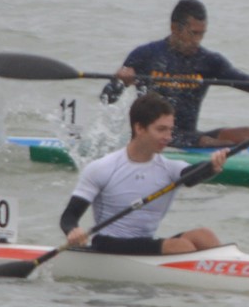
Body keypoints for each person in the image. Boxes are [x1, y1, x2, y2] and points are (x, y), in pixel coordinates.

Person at [60, 93, 230, 255]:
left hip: (144, 243)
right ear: (139, 128)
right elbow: (69, 216)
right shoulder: (103, 168)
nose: (168, 137)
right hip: (108, 244)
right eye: (161, 129)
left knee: (203, 235)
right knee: (179, 247)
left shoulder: (169, 168)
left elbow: (192, 176)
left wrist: (213, 166)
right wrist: (73, 231)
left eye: (170, 130)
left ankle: (227, 275)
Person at [108, 0, 249, 148]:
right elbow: (107, 97)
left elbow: (246, 83)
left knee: (248, 134)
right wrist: (120, 81)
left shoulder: (208, 61)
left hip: (189, 135)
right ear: (175, 28)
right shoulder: (145, 55)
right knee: (211, 143)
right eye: (193, 33)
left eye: (202, 34)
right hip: (153, 136)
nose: (197, 40)